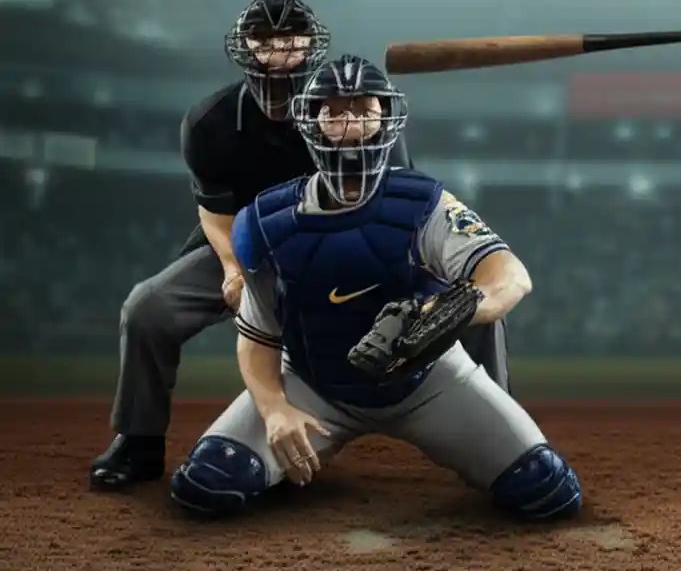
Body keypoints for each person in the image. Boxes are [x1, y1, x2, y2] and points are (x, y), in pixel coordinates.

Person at [90, 0, 512, 491]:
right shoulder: (211, 123)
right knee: (148, 308)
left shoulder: (355, 110)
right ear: (243, 48)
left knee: (467, 301)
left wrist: (433, 289)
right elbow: (216, 213)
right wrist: (231, 268)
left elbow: (397, 206)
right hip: (251, 247)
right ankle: (138, 442)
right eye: (265, 39)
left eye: (290, 37)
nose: (278, 49)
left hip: (360, 244)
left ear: (312, 46)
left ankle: (501, 430)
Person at [167, 54, 582, 522]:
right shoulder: (266, 222)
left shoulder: (423, 204)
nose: (350, 123)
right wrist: (274, 408)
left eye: (363, 109)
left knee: (545, 489)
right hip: (313, 384)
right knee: (208, 482)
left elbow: (509, 275)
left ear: (387, 116)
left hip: (431, 381)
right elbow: (258, 337)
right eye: (335, 110)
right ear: (310, 121)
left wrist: (458, 308)